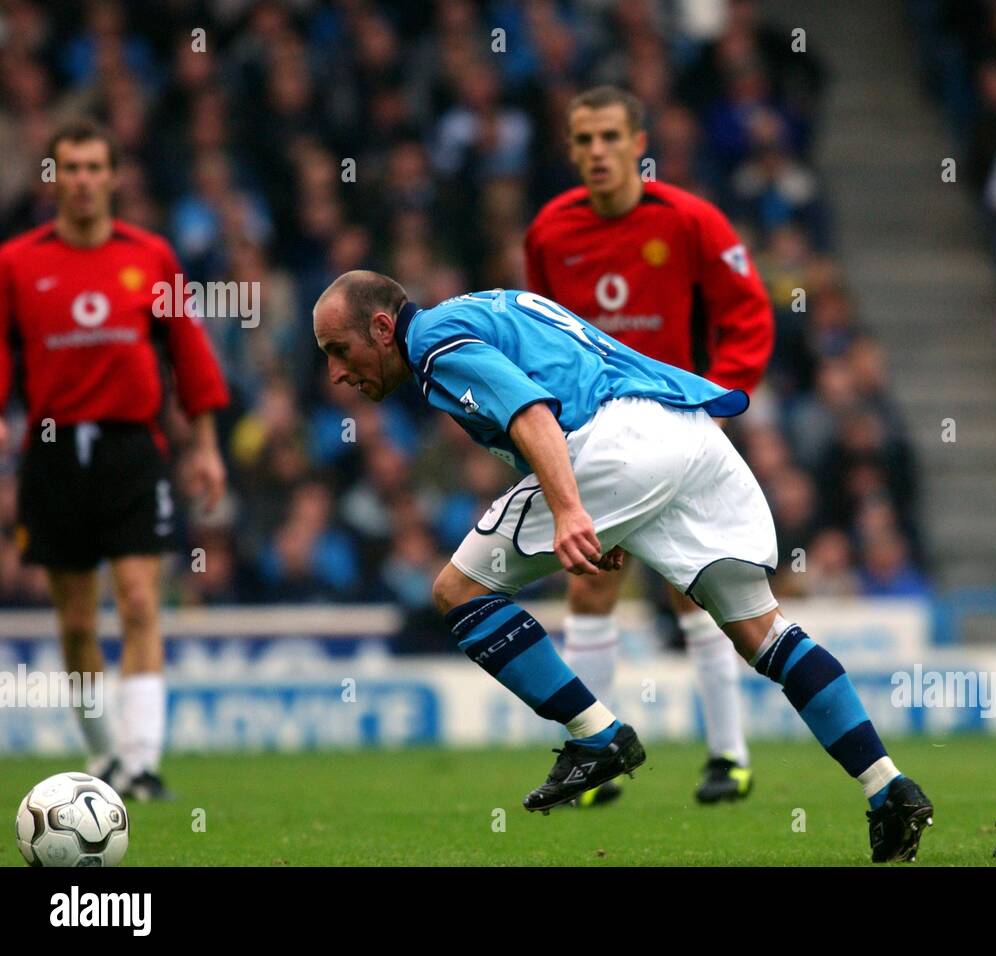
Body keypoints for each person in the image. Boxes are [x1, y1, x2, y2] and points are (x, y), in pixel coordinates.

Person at [312, 271, 934, 862]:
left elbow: (532, 413)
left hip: (620, 443)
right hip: (685, 431)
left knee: (456, 590)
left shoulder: (435, 344)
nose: (336, 372)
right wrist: (606, 514)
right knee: (761, 634)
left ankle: (596, 735)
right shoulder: (479, 309)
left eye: (339, 350)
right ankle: (889, 788)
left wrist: (571, 509)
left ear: (383, 329)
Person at [525, 85, 774, 805]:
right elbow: (542, 337)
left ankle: (728, 757)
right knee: (590, 582)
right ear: (570, 149)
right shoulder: (549, 232)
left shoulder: (689, 220)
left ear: (639, 142)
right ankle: (597, 757)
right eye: (583, 140)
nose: (597, 152)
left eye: (609, 137)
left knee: (700, 588)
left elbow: (748, 312)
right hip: (597, 436)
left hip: (676, 429)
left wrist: (715, 409)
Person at [0, 120, 229, 799]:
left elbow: (188, 352)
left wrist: (209, 446)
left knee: (138, 603)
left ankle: (145, 763)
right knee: (75, 623)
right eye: (69, 168)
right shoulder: (16, 263)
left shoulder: (151, 257)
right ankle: (105, 760)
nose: (82, 181)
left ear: (114, 177)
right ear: (54, 178)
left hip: (134, 450)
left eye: (95, 167)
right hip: (53, 454)